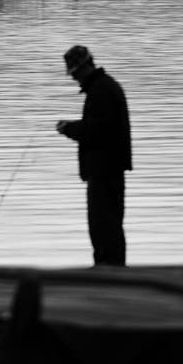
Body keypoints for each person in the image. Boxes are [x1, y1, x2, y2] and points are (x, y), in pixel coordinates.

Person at [56, 45, 132, 266]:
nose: (74, 78)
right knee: (108, 228)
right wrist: (73, 126)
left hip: (104, 171)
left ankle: (109, 272)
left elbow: (96, 131)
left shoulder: (101, 91)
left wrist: (69, 129)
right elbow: (97, 126)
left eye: (75, 73)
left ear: (86, 67)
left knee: (104, 228)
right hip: (107, 170)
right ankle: (112, 271)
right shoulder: (103, 87)